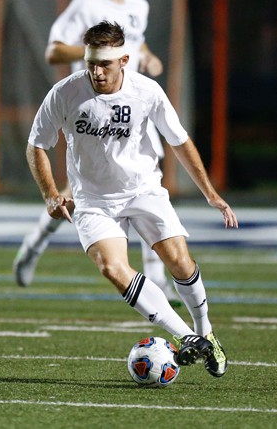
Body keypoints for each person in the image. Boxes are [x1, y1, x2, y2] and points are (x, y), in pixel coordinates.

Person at [25, 20, 238, 377]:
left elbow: (179, 141)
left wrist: (211, 195)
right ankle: (187, 337)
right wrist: (49, 194)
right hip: (93, 201)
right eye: (90, 62)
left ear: (124, 60)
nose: (96, 71)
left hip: (143, 191)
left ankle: (205, 332)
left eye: (104, 64)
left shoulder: (147, 91)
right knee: (111, 267)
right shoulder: (65, 92)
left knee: (180, 262)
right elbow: (36, 145)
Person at [14, 0, 175, 302]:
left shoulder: (139, 5)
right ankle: (34, 245)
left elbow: (137, 42)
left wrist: (147, 57)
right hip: (92, 108)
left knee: (147, 182)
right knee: (78, 195)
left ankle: (156, 275)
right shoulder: (84, 5)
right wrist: (100, 55)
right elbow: (53, 49)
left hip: (132, 106)